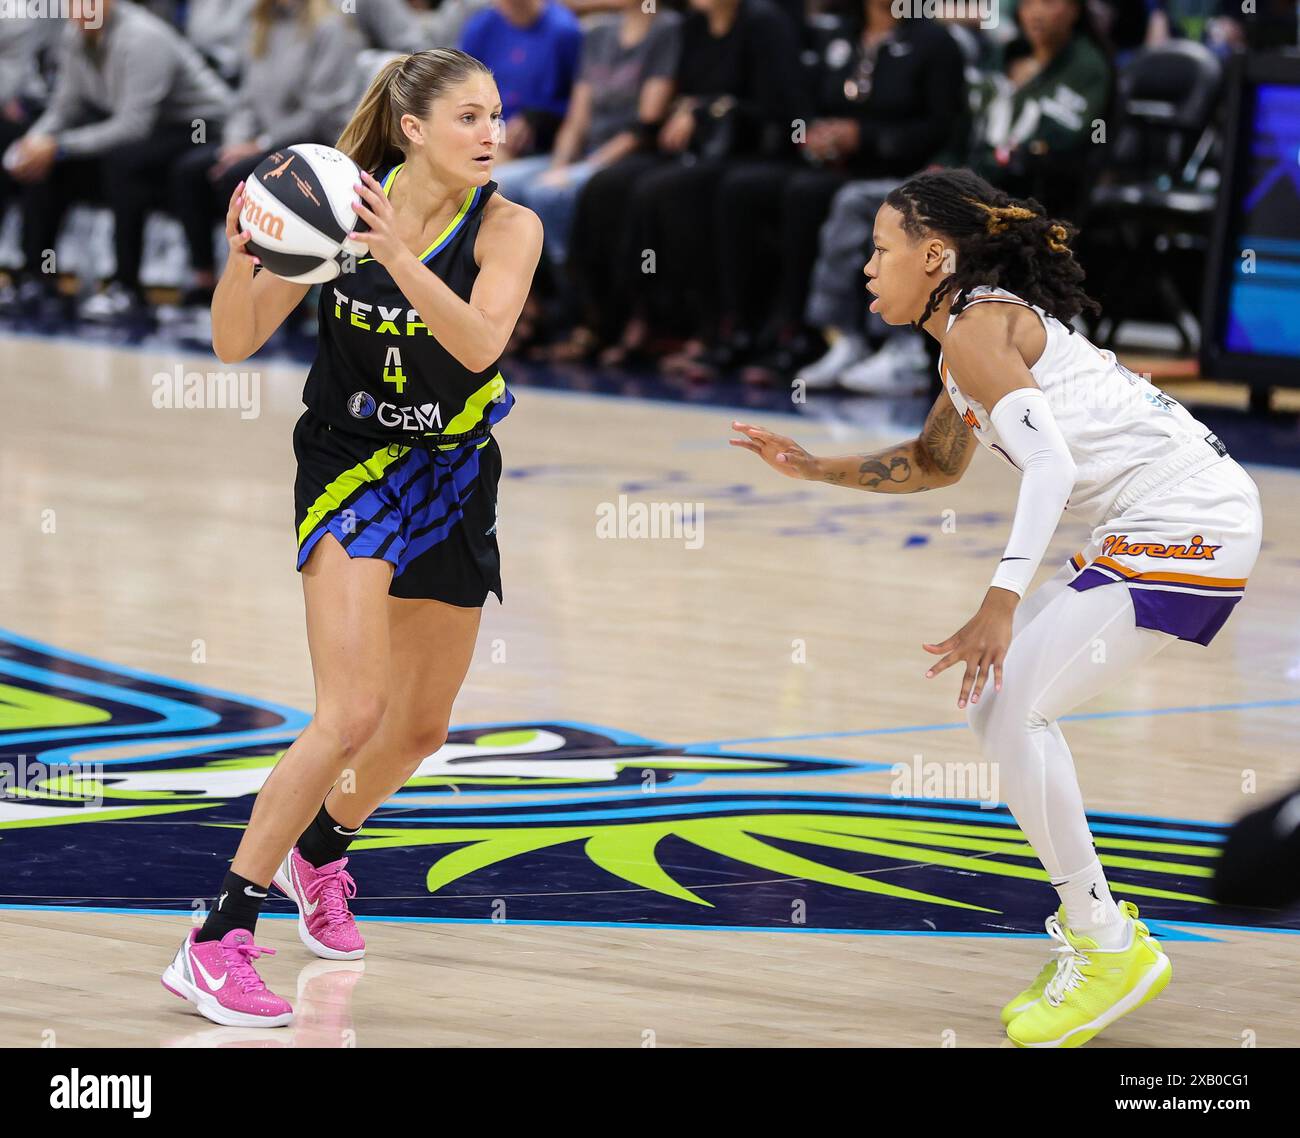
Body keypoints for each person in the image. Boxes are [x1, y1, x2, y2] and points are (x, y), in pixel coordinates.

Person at [729, 167, 1263, 1047]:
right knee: (1000, 708)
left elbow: (1050, 466)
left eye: (880, 248)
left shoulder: (976, 327)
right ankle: (1101, 931)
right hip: (1161, 518)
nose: (868, 267)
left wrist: (999, 601)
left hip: (1187, 518)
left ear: (933, 254)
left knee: (1015, 704)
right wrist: (812, 466)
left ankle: (1105, 942)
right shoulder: (966, 335)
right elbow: (937, 463)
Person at [161, 48, 543, 1027]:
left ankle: (321, 847)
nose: (491, 133)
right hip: (352, 464)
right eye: (467, 117)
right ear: (411, 129)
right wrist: (250, 250)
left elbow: (478, 343)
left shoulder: (510, 225)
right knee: (350, 713)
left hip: (455, 472)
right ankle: (219, 937)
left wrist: (398, 254)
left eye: (495, 114)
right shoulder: (332, 207)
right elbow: (235, 339)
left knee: (419, 728)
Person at [4, 0, 232, 321]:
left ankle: (127, 287)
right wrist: (35, 142)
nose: (79, 9)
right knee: (45, 164)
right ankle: (36, 277)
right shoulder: (74, 35)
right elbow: (66, 106)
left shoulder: (143, 38)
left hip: (198, 128)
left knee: (124, 162)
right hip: (141, 128)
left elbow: (133, 126)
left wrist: (59, 146)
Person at [170, 0, 364, 314]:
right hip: (263, 141)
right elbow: (245, 100)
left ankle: (267, 290)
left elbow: (320, 111)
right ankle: (203, 284)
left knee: (239, 180)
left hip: (317, 145)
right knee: (190, 172)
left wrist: (261, 143)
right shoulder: (259, 24)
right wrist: (234, 142)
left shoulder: (331, 27)